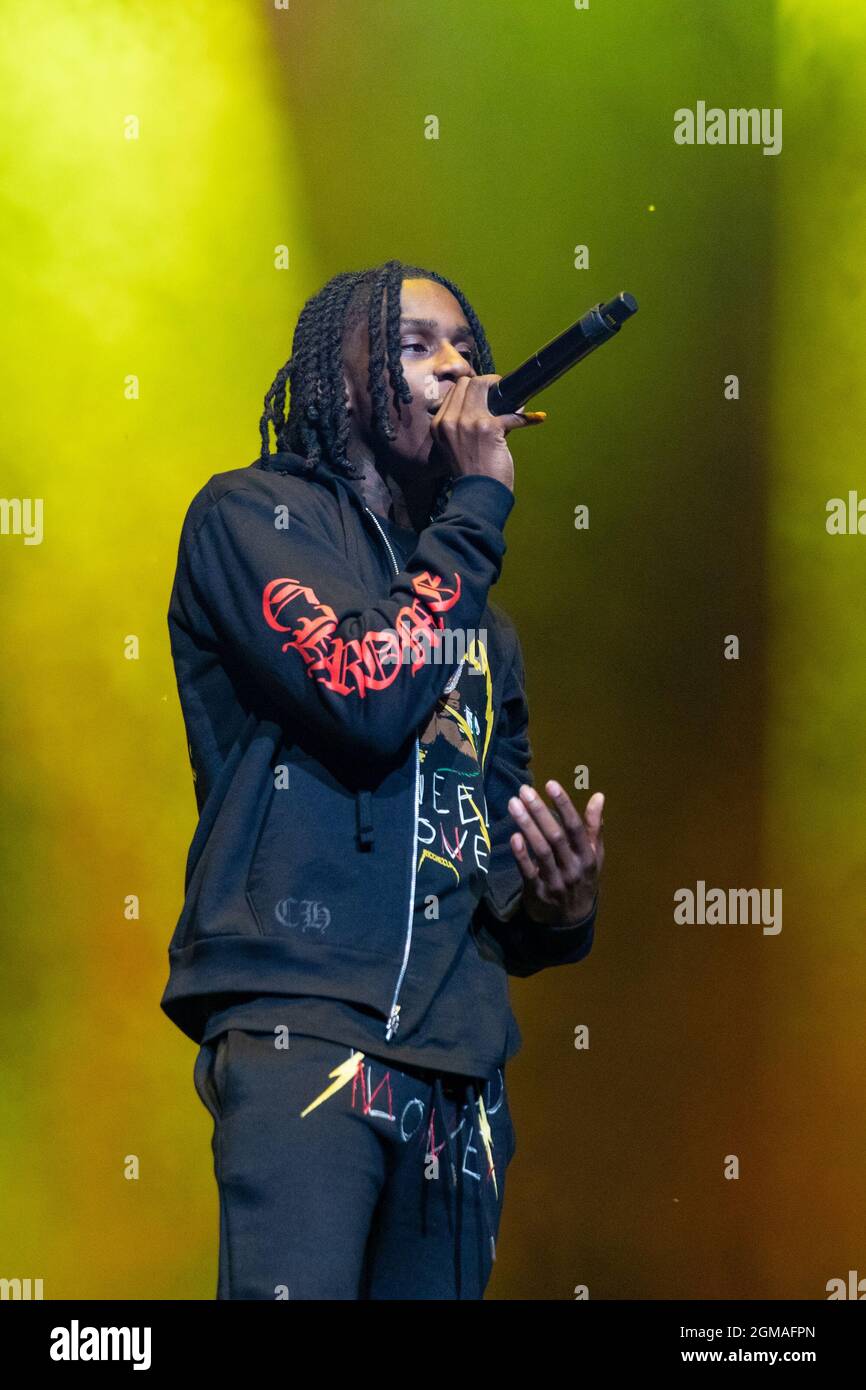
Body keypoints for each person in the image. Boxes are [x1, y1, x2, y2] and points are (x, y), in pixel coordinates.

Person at [161, 258, 605, 1299]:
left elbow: (483, 857)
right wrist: (480, 507)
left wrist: (554, 905)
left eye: (466, 349)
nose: (453, 366)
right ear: (342, 381)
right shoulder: (250, 518)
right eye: (415, 345)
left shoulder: (479, 623)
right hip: (306, 1028)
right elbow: (364, 690)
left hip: (459, 1078)